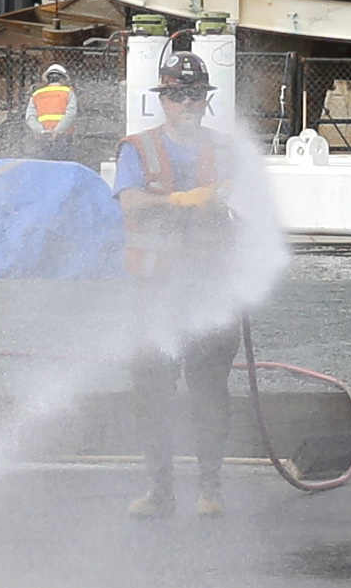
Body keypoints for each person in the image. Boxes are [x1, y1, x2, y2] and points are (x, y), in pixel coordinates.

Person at [114, 51, 237, 519]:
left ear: (205, 100)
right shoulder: (137, 149)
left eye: (196, 95)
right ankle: (160, 489)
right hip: (153, 295)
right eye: (179, 95)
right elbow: (130, 204)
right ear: (163, 99)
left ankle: (211, 488)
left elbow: (248, 206)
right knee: (151, 394)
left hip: (211, 292)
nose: (188, 103)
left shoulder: (227, 150)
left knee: (209, 391)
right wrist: (182, 201)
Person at [24, 63, 78, 159]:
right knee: (62, 164)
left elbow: (30, 117)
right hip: (64, 136)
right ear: (63, 78)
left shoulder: (37, 94)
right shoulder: (68, 92)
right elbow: (70, 114)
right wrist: (57, 131)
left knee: (45, 165)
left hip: (42, 138)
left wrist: (42, 131)